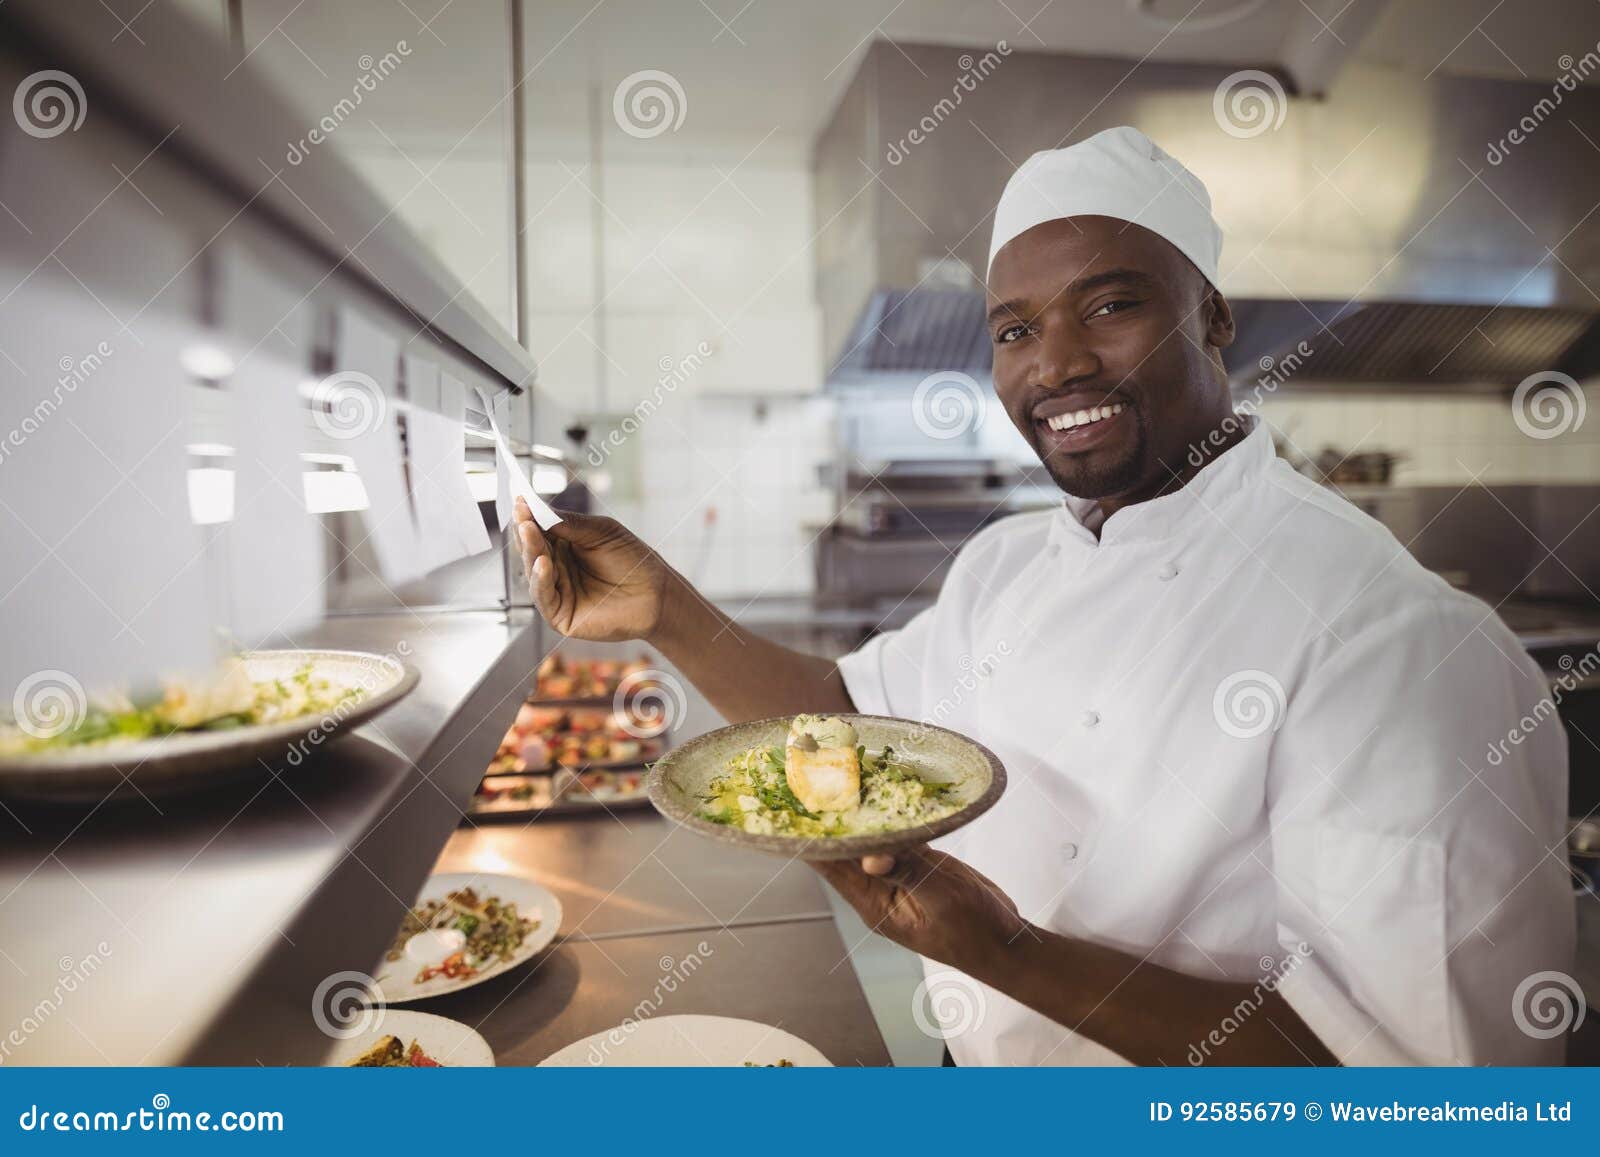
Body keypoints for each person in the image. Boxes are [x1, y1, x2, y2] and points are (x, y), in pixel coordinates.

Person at [513, 126, 1574, 1066]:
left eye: (1109, 305)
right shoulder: (1010, 563)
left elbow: (1421, 1095)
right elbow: (847, 719)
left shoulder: (1396, 642)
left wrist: (1002, 949)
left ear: (1215, 319)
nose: (1056, 364)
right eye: (1014, 329)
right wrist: (665, 610)